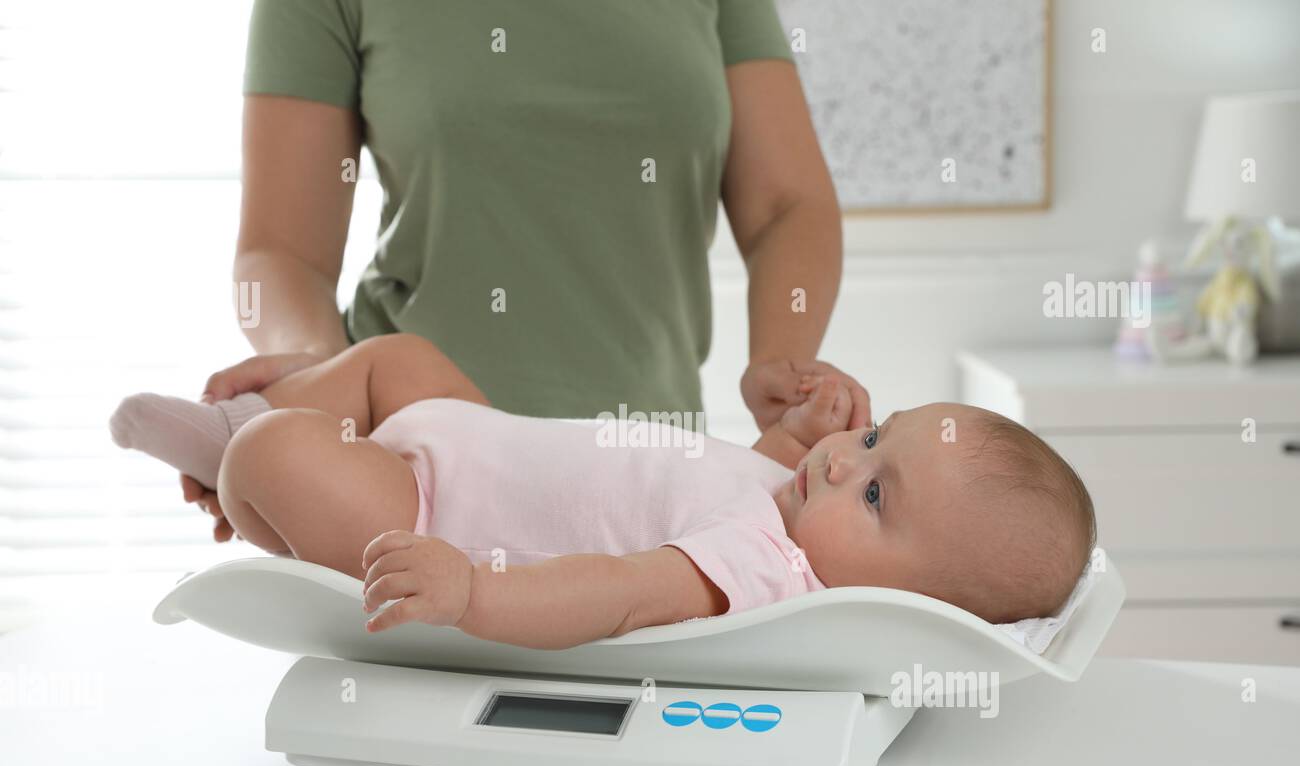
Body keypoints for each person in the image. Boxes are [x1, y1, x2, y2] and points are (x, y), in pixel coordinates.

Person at [185, 0, 870, 541]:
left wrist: (783, 363)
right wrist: (322, 387)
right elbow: (280, 251)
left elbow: (790, 204)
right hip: (408, 469)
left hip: (650, 472)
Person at [113, 333, 1096, 647]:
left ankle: (228, 446)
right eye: (876, 437)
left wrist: (474, 593)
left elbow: (623, 587)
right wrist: (795, 432)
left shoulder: (762, 576)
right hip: (476, 435)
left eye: (877, 494)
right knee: (396, 358)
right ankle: (258, 400)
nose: (844, 459)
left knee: (277, 458)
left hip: (427, 518)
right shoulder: (790, 514)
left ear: (901, 603)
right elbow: (718, 484)